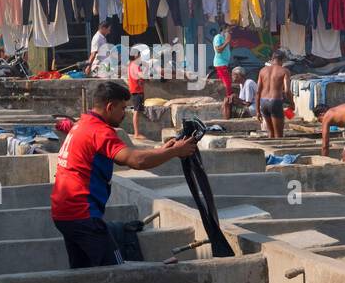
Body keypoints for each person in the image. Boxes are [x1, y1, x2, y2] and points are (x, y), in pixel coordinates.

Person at [50, 81, 199, 268]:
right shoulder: (99, 131)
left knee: (83, 272)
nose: (124, 114)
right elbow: (137, 161)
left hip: (64, 213)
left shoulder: (83, 125)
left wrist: (162, 150)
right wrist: (175, 152)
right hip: (83, 215)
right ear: (110, 107)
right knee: (117, 271)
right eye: (122, 108)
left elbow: (125, 157)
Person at [256, 50, 292, 138]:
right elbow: (287, 91)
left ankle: (269, 152)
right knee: (278, 135)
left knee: (270, 133)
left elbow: (258, 92)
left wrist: (257, 111)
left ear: (272, 59)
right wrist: (292, 103)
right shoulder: (284, 71)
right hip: (275, 101)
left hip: (263, 102)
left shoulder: (262, 71)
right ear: (282, 60)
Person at [211, 20, 235, 119]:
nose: (230, 32)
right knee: (228, 85)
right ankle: (228, 102)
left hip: (224, 64)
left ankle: (228, 101)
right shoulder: (218, 37)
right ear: (224, 29)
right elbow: (218, 50)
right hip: (220, 64)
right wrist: (227, 42)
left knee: (228, 83)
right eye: (229, 30)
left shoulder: (223, 38)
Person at [126, 47, 146, 138]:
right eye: (139, 56)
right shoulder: (135, 65)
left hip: (136, 90)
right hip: (137, 91)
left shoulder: (130, 64)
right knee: (136, 112)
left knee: (137, 111)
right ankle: (136, 133)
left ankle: (137, 132)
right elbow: (140, 74)